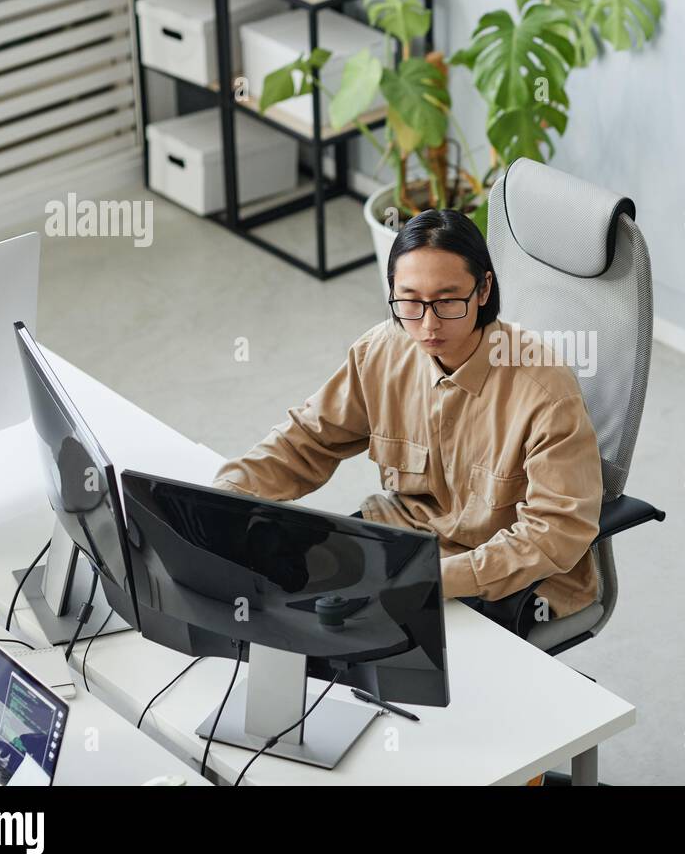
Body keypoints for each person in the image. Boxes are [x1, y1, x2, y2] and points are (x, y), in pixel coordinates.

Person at [213, 208, 605, 626]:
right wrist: (227, 496)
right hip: (407, 539)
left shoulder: (545, 392)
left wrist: (431, 578)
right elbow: (308, 439)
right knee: (277, 597)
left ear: (484, 289)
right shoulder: (381, 351)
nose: (428, 323)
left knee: (367, 644)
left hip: (513, 579)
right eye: (410, 302)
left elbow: (553, 535)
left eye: (448, 301)